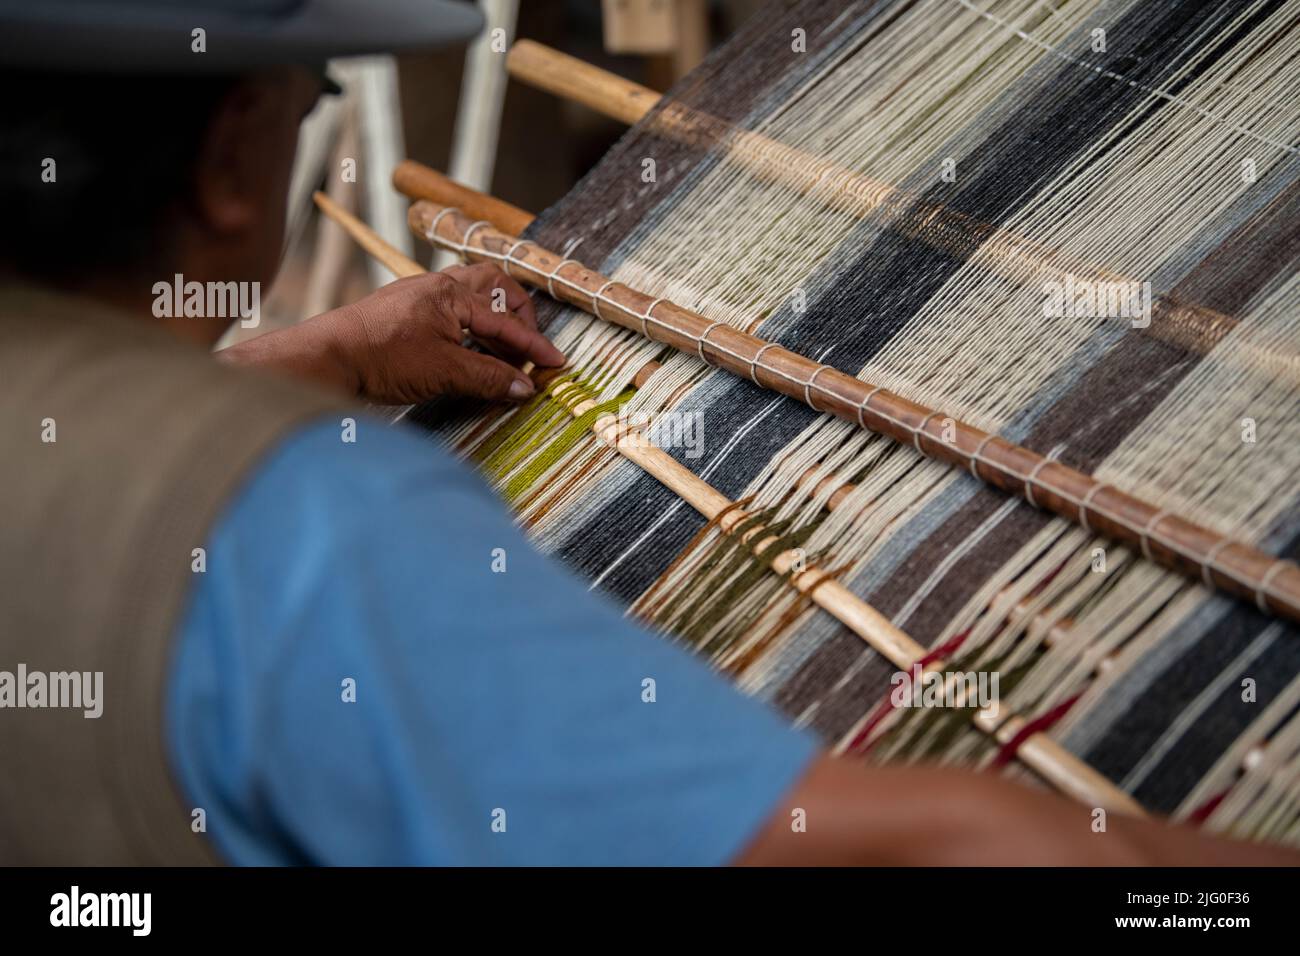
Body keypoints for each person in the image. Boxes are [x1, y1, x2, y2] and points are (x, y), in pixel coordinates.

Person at [0, 0, 1292, 867]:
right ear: (231, 156)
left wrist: (326, 354)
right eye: (305, 95)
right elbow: (881, 851)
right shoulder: (313, 524)